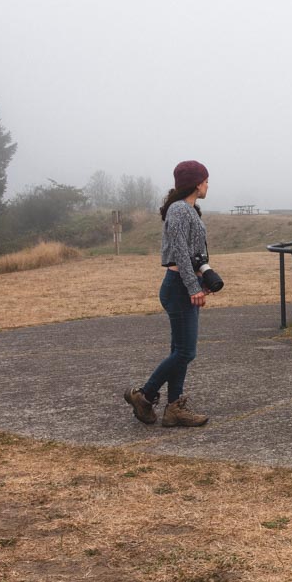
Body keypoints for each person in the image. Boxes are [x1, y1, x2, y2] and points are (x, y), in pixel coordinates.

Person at [124, 160, 213, 427]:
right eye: (206, 180)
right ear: (197, 183)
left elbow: (193, 253)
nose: (209, 185)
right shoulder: (178, 210)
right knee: (186, 352)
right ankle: (145, 395)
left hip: (184, 283)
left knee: (180, 350)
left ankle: (174, 408)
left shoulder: (189, 210)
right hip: (178, 286)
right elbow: (179, 252)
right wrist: (192, 286)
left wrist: (204, 276)